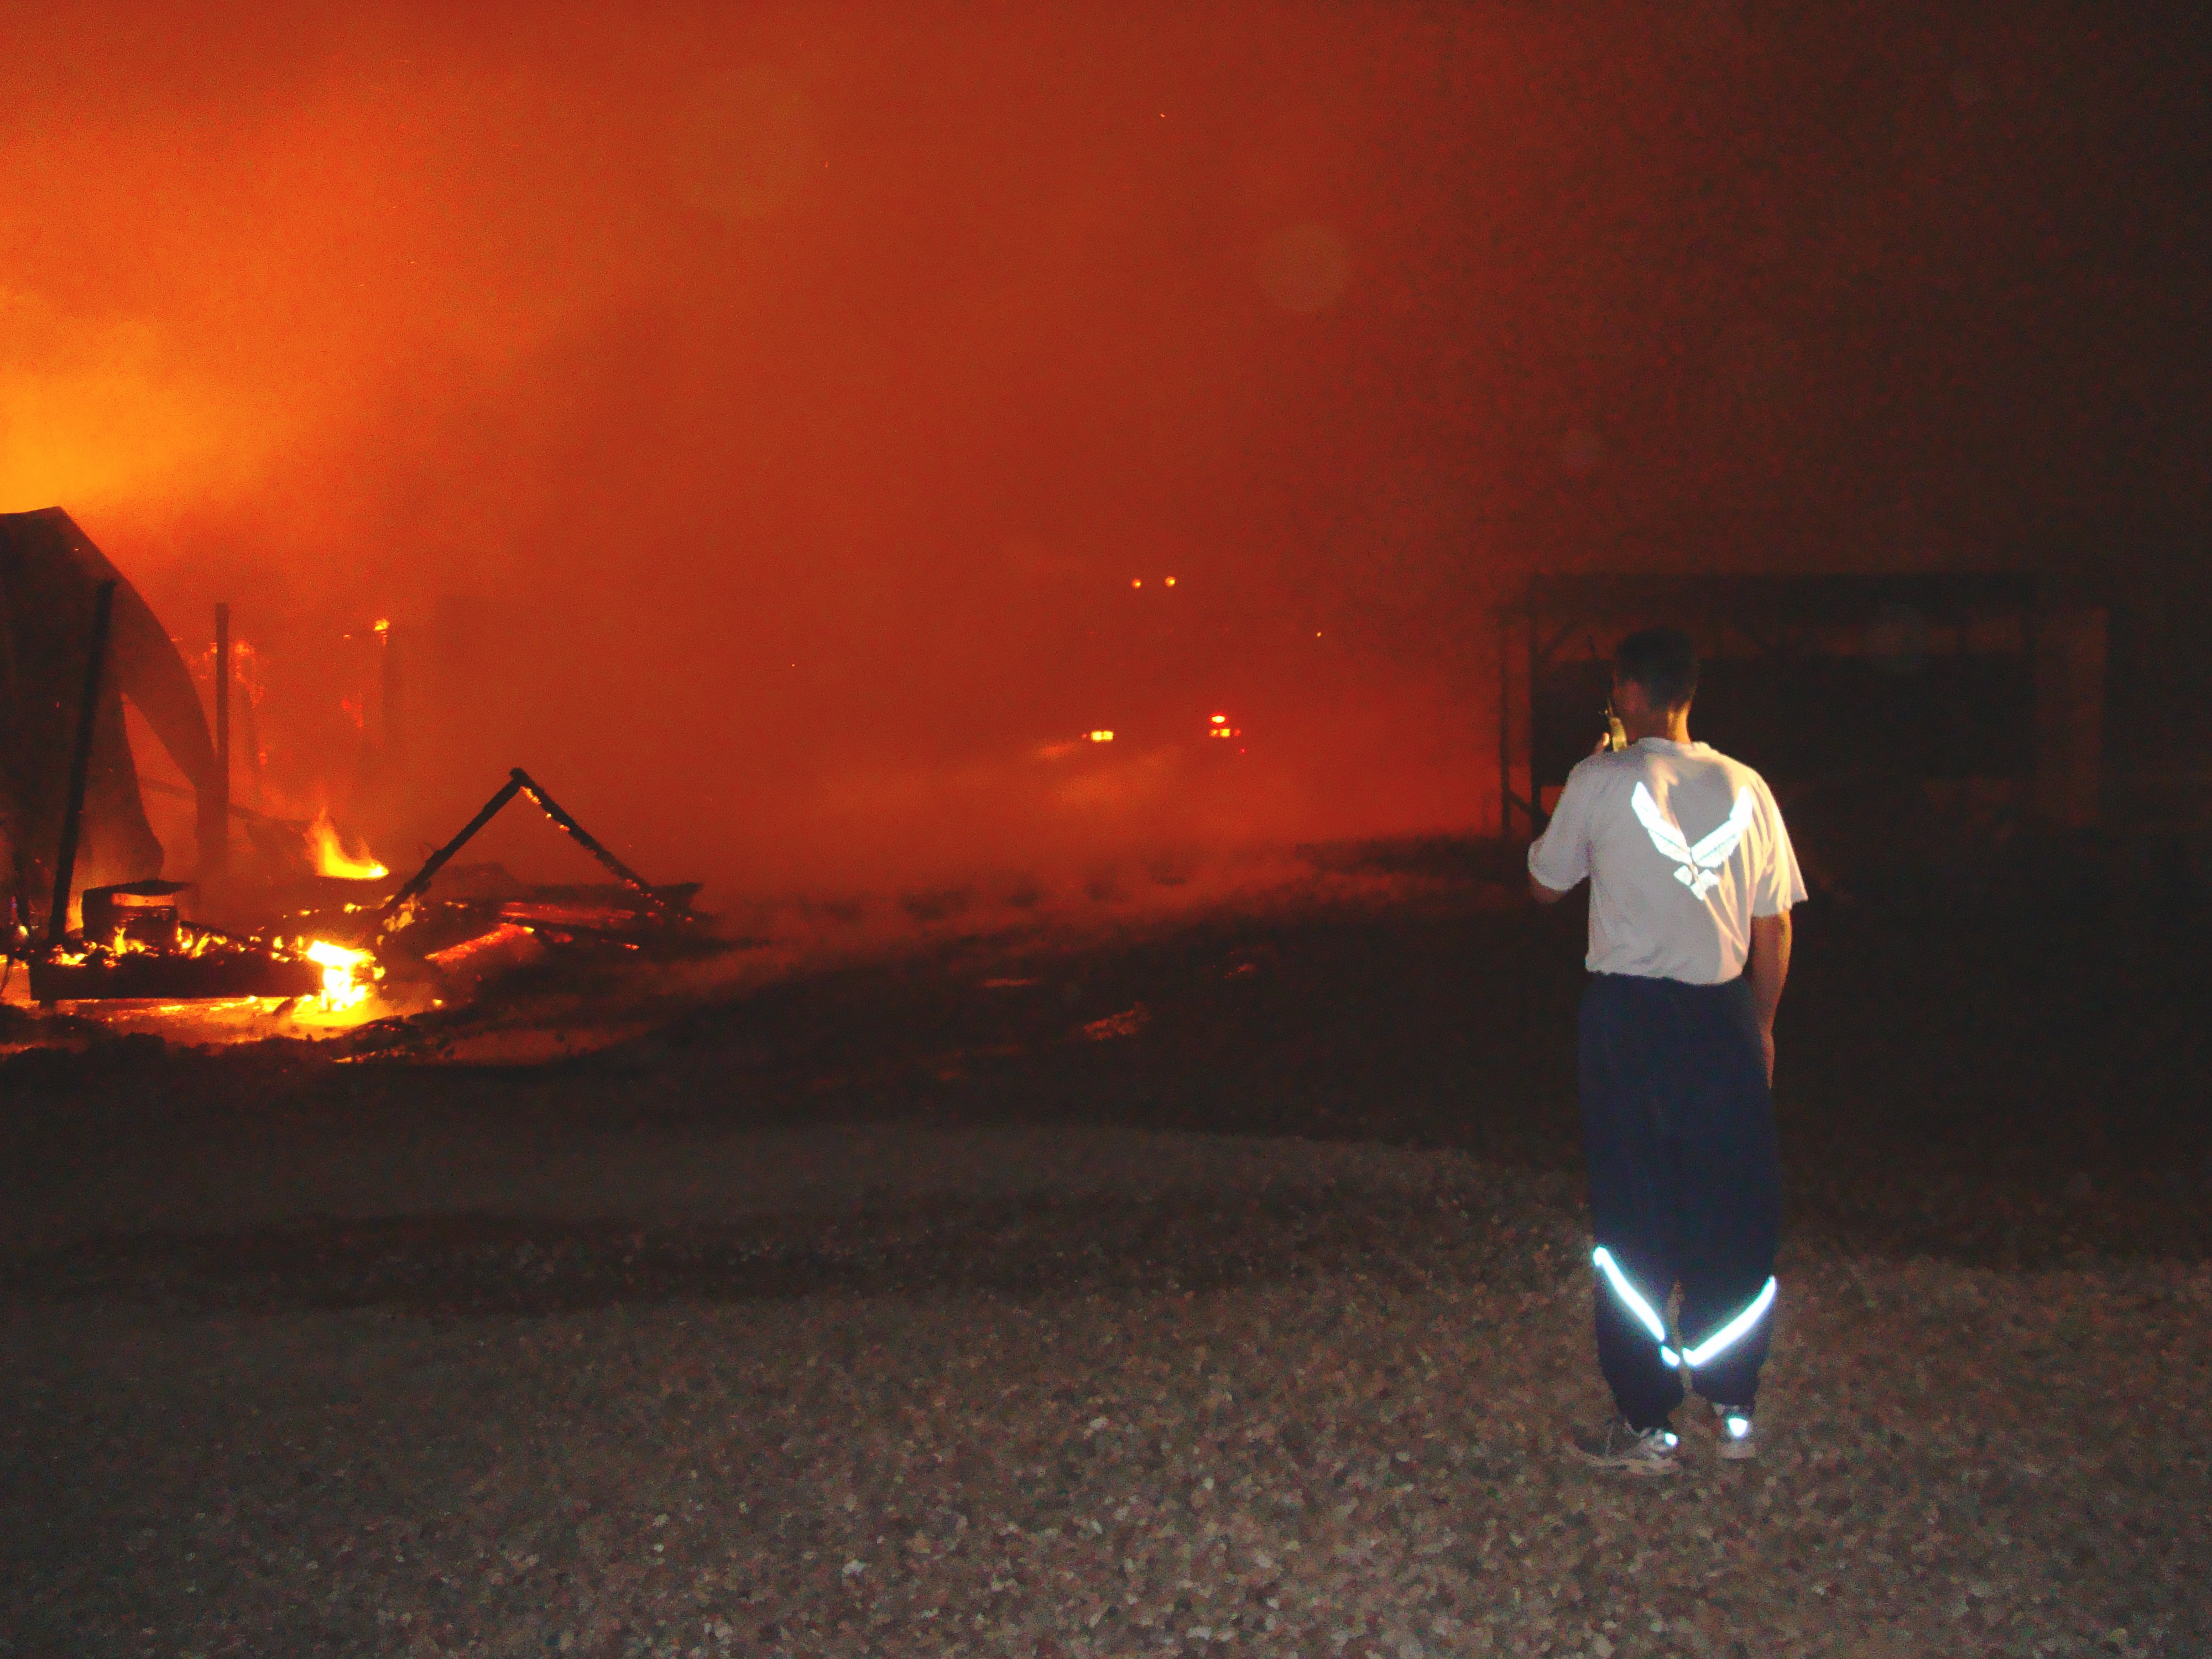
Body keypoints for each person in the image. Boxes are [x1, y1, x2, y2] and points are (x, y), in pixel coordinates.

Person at [1527, 626, 1806, 1475]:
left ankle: (1647, 1422)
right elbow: (1776, 923)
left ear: (1632, 693)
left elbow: (1544, 884)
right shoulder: (1747, 786)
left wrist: (1597, 780)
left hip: (1629, 1019)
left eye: (1616, 689)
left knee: (1633, 1214)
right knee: (1733, 1203)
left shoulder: (1599, 780)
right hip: (1720, 1012)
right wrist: (1759, 1025)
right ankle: (1732, 1400)